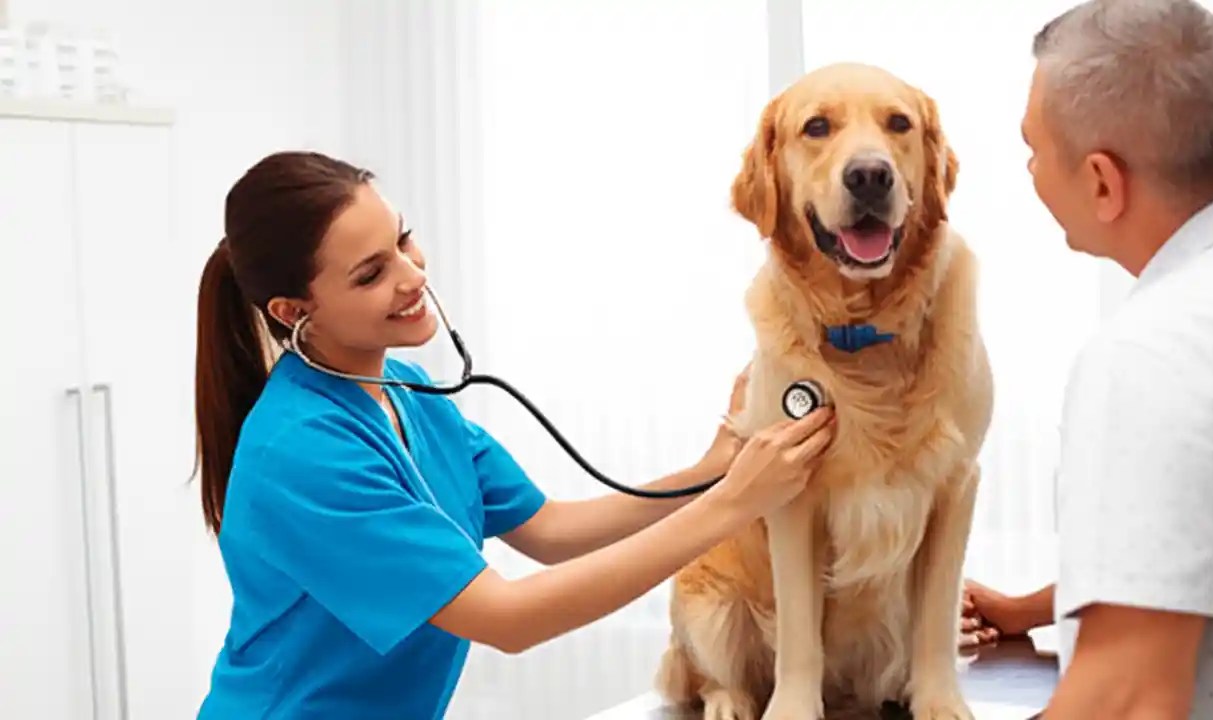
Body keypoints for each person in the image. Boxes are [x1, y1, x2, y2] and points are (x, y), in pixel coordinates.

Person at [191, 150, 837, 718]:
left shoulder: (410, 393)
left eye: (402, 241)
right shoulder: (301, 452)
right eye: (370, 273)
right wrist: (733, 505)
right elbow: (507, 618)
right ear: (293, 312)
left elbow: (552, 532)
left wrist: (715, 467)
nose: (412, 275)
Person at [1018, 0, 1213, 717]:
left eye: (1033, 149)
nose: (1032, 171)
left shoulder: (1154, 355)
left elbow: (1127, 698)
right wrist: (1044, 606)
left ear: (1103, 182)